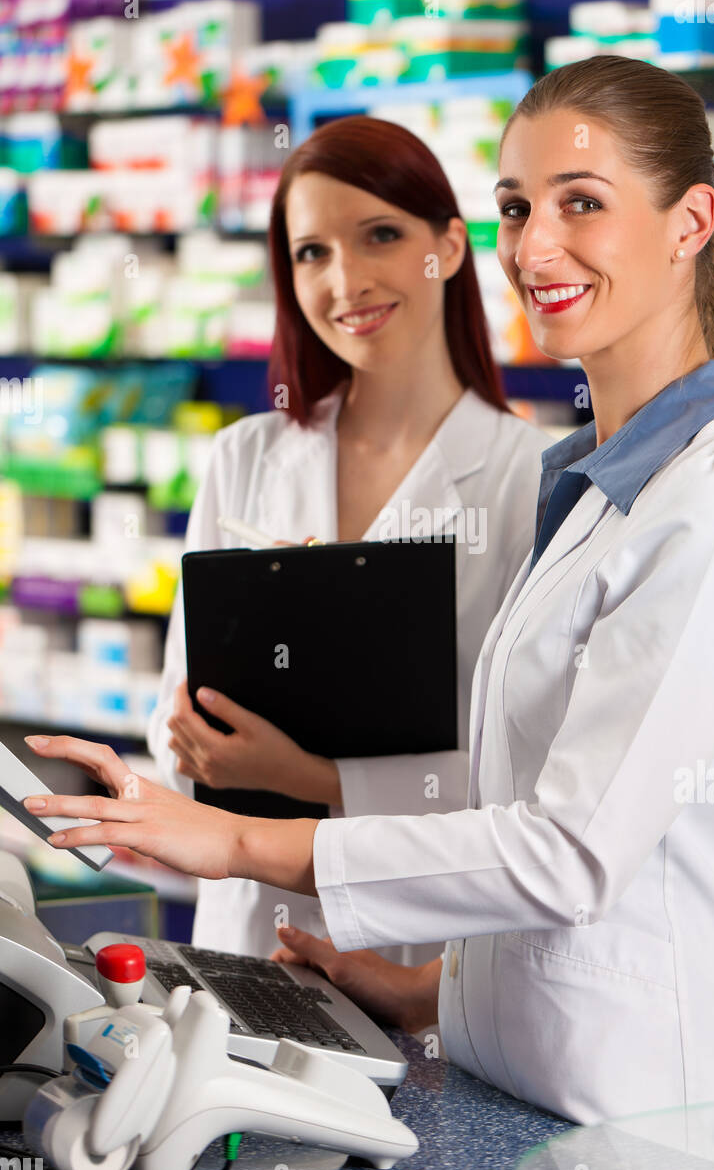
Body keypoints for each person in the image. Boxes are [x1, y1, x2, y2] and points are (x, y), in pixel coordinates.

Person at [25, 55, 714, 1125]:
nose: (533, 247)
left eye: (579, 204)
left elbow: (566, 853)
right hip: (536, 1085)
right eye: (514, 208)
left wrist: (232, 838)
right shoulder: (597, 487)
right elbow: (529, 822)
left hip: (678, 1113)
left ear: (690, 222)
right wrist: (425, 989)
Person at [145, 115, 549, 965]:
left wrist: (311, 779)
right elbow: (172, 720)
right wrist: (194, 737)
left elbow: (532, 786)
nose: (346, 280)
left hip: (432, 951)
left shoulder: (533, 479)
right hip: (251, 937)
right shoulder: (248, 454)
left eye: (380, 236)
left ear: (448, 244)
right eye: (312, 253)